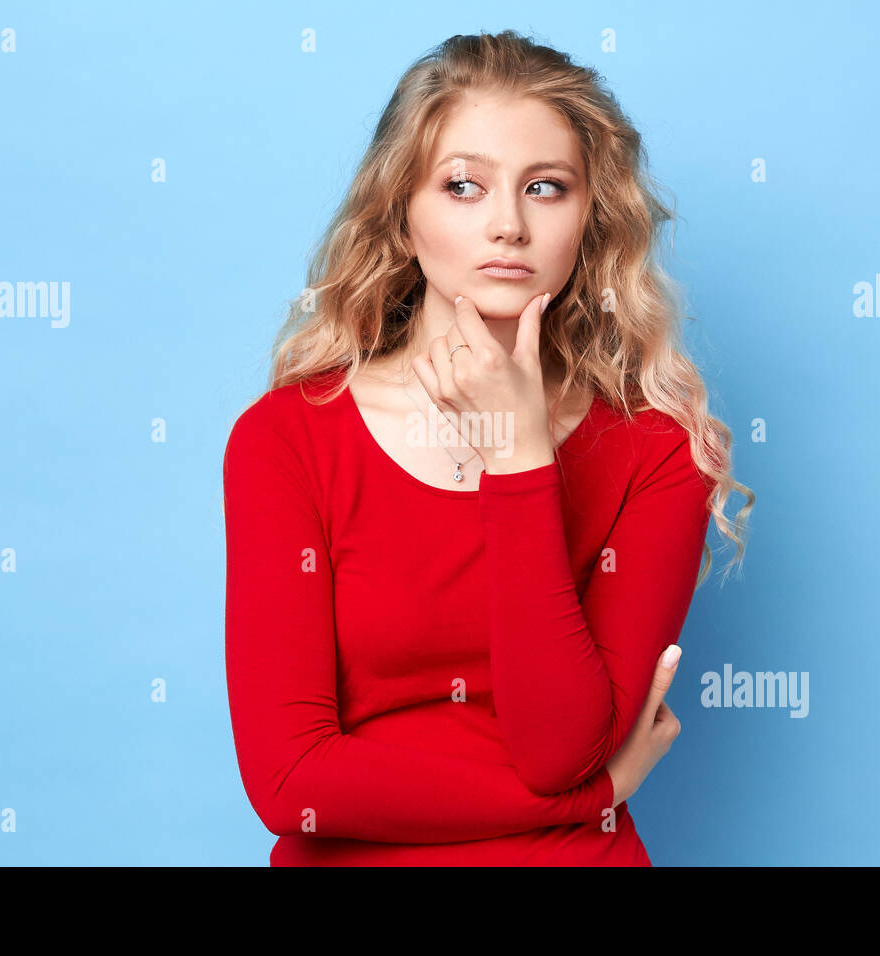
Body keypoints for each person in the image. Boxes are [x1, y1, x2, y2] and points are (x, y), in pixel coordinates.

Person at [223, 30, 753, 866]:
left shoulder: (658, 449)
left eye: (546, 188)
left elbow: (559, 749)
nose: (508, 225)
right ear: (402, 211)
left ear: (592, 218)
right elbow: (292, 784)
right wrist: (599, 796)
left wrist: (518, 456)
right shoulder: (287, 439)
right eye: (463, 186)